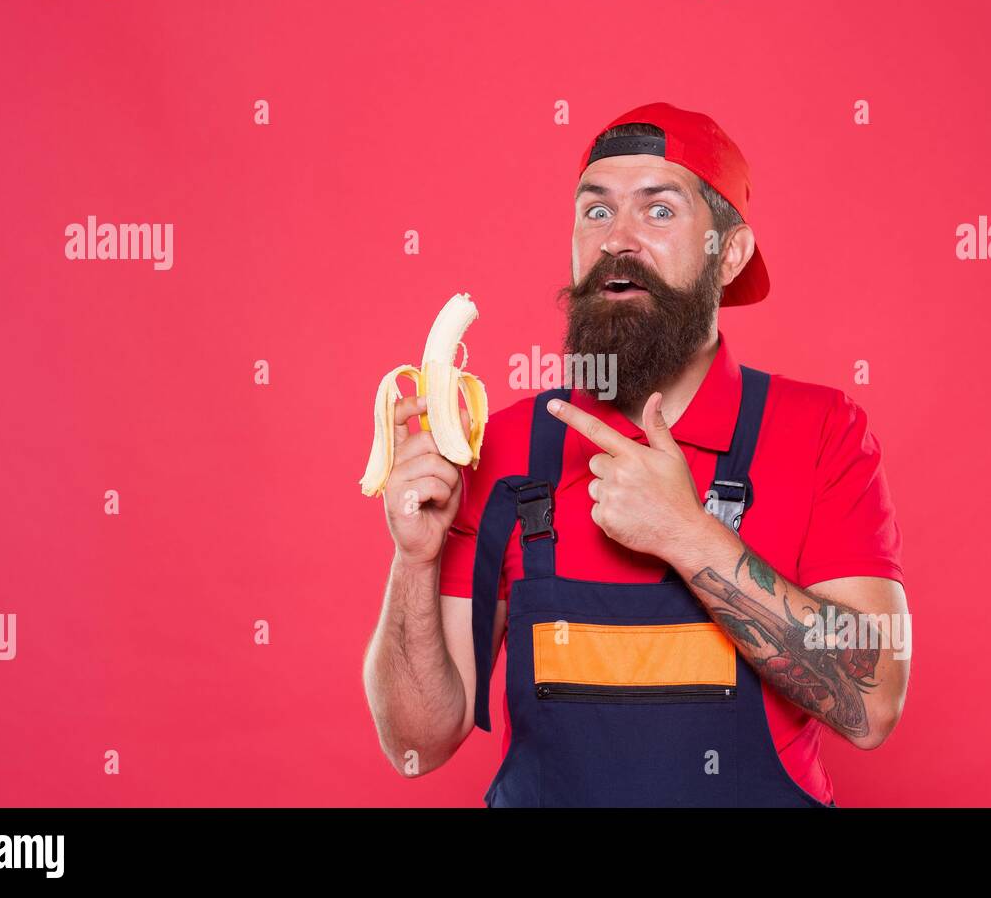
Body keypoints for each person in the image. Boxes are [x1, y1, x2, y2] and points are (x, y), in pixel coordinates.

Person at [363, 102, 910, 807]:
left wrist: (685, 533)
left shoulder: (823, 431)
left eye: (658, 211)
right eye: (595, 212)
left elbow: (873, 704)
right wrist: (413, 560)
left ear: (730, 251)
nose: (617, 239)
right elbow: (416, 745)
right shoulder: (496, 448)